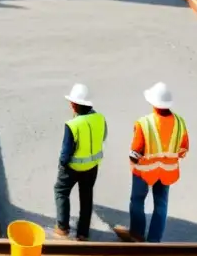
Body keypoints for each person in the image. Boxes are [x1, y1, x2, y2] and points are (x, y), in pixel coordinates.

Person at [115, 82, 189, 243]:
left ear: (153, 104)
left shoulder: (144, 123)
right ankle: (154, 240)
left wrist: (134, 163)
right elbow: (183, 149)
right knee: (161, 205)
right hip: (167, 171)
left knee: (137, 200)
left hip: (145, 170)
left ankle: (137, 234)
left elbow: (135, 151)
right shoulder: (180, 122)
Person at [54, 83, 106, 241]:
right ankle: (83, 233)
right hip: (92, 167)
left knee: (61, 191)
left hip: (72, 167)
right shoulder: (100, 118)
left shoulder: (72, 125)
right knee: (86, 196)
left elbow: (65, 153)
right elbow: (103, 137)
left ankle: (63, 228)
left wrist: (62, 164)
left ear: (74, 105)